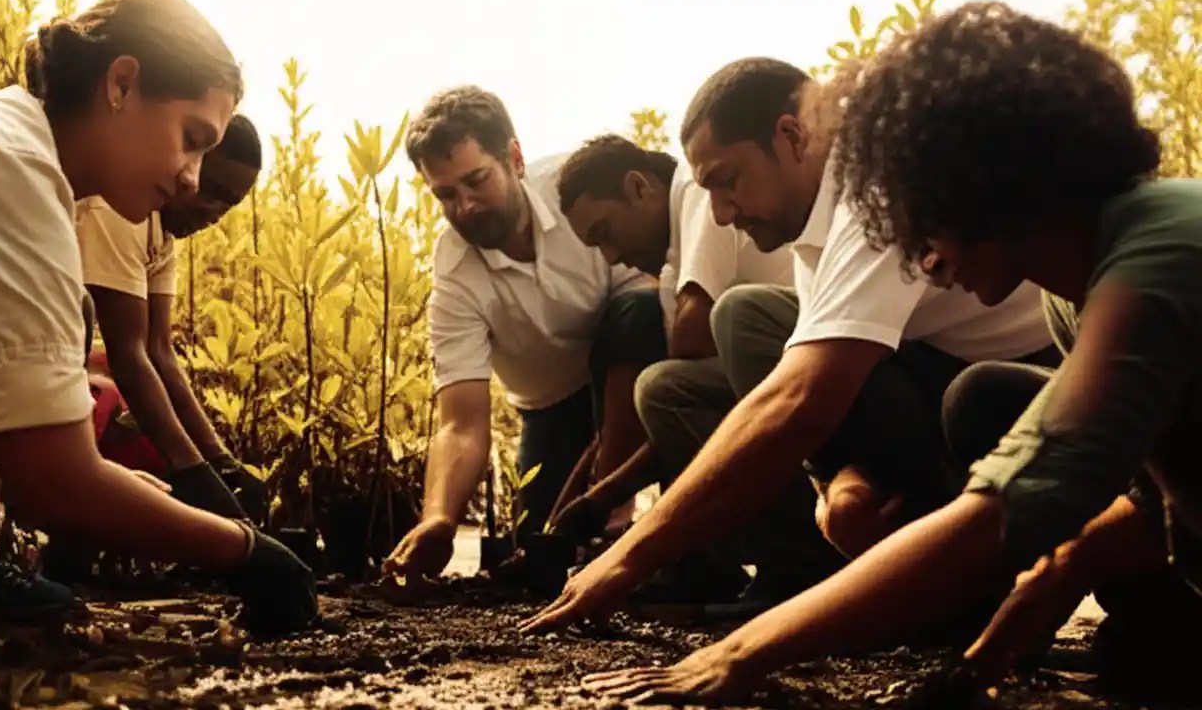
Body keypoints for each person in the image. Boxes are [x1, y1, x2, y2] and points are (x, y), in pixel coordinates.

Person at [574, 2, 1202, 704]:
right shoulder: (1077, 286)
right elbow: (1146, 498)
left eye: (927, 216)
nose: (924, 261)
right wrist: (1004, 632)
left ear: (995, 183)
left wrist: (743, 653)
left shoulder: (1157, 261)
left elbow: (997, 511)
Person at [521, 54, 1059, 633]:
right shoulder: (810, 239)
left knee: (751, 323)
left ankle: (944, 584)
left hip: (1019, 381)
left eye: (728, 182)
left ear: (791, 135)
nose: (723, 214)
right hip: (932, 373)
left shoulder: (875, 188)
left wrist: (629, 556)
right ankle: (825, 567)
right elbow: (812, 391)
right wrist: (839, 481)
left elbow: (802, 399)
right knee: (716, 350)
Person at [0, 0, 315, 635]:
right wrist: (242, 552)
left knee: (61, 324)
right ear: (122, 83)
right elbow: (52, 478)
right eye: (192, 140)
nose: (191, 178)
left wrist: (134, 495)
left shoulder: (15, 150)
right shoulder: (9, 166)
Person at [381, 86, 664, 582]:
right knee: (543, 553)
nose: (465, 206)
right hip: (551, 408)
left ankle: (666, 549)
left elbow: (654, 299)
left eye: (476, 180)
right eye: (445, 194)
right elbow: (461, 422)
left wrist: (609, 486)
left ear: (513, 157)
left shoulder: (576, 192)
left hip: (632, 374)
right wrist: (439, 519)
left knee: (638, 312)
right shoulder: (454, 272)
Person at [548, 134, 842, 606]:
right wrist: (601, 499)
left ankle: (800, 561)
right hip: (794, 391)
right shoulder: (669, 273)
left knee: (662, 385)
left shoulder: (696, 189)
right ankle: (737, 564)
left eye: (604, 231)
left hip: (827, 384)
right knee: (665, 390)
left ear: (639, 186)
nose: (609, 256)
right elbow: (680, 416)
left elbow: (687, 349)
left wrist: (613, 505)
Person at [77, 113, 268, 524]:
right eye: (213, 190)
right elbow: (127, 353)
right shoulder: (121, 209)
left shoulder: (163, 234)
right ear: (188, 167)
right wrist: (193, 470)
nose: (216, 210)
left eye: (230, 203)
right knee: (109, 392)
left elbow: (159, 351)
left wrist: (222, 462)